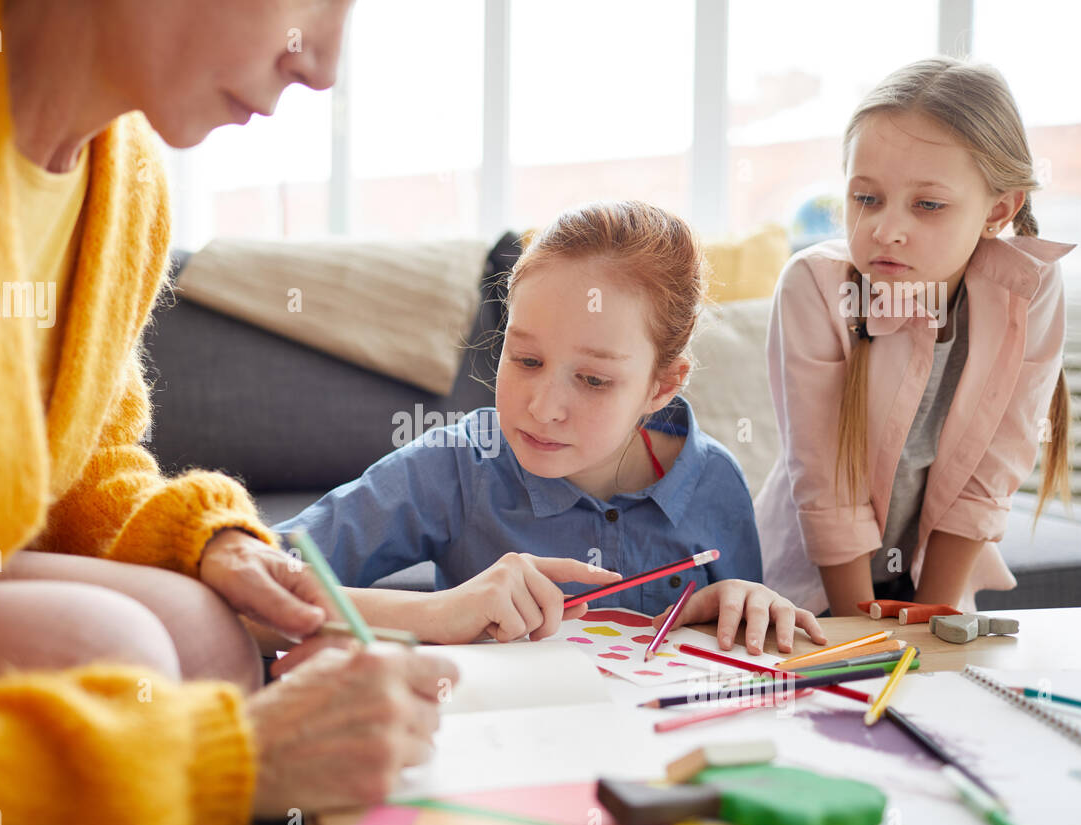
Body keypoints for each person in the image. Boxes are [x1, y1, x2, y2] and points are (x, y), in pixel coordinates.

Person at [0, 0, 458, 825]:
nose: (321, 63)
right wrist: (221, 763)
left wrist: (203, 541)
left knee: (204, 628)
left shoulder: (124, 174)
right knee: (111, 654)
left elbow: (74, 463)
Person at [275, 201, 827, 660]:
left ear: (662, 386)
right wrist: (436, 614)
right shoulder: (459, 463)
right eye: (525, 360)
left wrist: (737, 601)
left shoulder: (713, 483)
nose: (543, 408)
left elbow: (753, 653)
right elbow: (265, 578)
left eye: (592, 379)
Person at [754, 57, 1074, 617]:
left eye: (927, 205)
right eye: (866, 198)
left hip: (932, 580)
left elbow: (989, 470)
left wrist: (936, 620)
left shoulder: (1032, 288)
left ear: (997, 210)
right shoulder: (813, 288)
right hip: (809, 595)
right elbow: (830, 488)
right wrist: (860, 635)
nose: (885, 229)